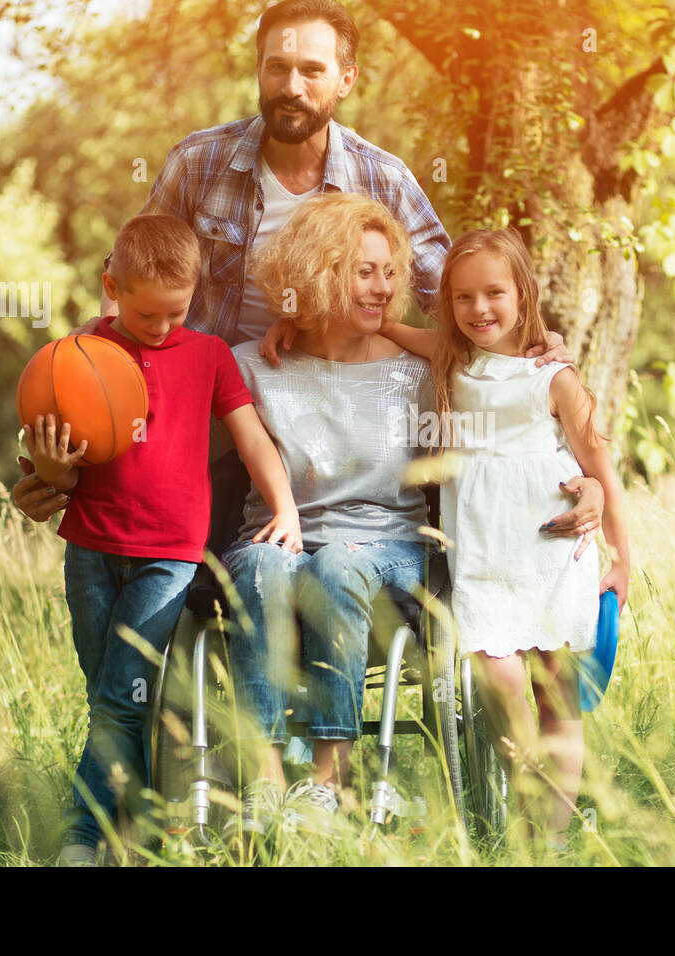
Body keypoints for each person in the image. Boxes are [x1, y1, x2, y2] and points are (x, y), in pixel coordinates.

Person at [10, 0, 602, 543]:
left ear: (346, 79)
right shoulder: (199, 162)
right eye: (277, 67)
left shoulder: (383, 180)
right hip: (208, 419)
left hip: (336, 428)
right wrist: (63, 449)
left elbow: (454, 296)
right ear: (259, 71)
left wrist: (530, 344)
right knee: (171, 572)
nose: (291, 87)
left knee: (434, 542)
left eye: (312, 71)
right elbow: (132, 291)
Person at [26, 215, 303, 866]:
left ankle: (81, 841)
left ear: (194, 294)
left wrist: (285, 506)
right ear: (111, 287)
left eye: (175, 313)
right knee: (110, 698)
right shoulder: (80, 356)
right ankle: (142, 829)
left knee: (119, 702)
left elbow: (252, 438)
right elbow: (59, 468)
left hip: (169, 558)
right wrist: (47, 469)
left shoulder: (208, 358)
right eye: (146, 314)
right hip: (90, 550)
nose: (160, 328)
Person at [377, 228, 631, 850]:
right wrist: (287, 326)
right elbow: (382, 327)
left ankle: (549, 840)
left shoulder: (555, 377)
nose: (479, 309)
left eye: (494, 292)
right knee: (502, 679)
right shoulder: (450, 357)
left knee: (556, 693)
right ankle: (527, 796)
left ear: (523, 291)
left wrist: (623, 562)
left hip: (552, 548)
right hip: (484, 554)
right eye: (462, 298)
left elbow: (604, 470)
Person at [219, 193, 433, 834]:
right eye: (363, 271)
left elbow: (502, 357)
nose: (382, 286)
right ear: (318, 271)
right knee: (258, 562)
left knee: (338, 562)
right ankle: (264, 781)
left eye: (389, 272)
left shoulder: (415, 372)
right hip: (282, 540)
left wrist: (587, 483)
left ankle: (328, 779)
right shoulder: (252, 366)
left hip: (386, 549)